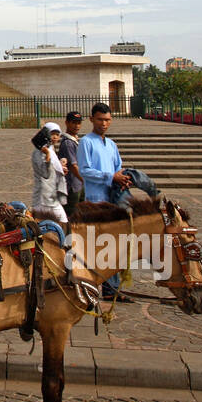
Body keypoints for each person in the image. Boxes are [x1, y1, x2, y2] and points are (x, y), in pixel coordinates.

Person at [77, 103, 134, 301]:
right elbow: (84, 171)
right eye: (100, 119)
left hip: (112, 200)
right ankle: (94, 286)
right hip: (95, 201)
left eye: (107, 120)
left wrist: (122, 179)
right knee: (96, 246)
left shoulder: (111, 145)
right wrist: (111, 177)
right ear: (91, 119)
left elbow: (119, 167)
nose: (104, 123)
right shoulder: (86, 142)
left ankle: (112, 288)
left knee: (112, 246)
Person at [30, 123, 68, 224]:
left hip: (51, 196)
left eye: (57, 134)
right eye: (52, 134)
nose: (55, 137)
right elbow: (45, 173)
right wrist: (47, 156)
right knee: (63, 223)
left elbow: (53, 168)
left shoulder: (50, 149)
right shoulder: (40, 152)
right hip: (43, 198)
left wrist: (61, 166)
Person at [58, 110, 85, 220]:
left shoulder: (74, 140)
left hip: (78, 184)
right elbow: (73, 166)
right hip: (72, 186)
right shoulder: (68, 143)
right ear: (67, 123)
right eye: (73, 123)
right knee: (72, 216)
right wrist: (85, 180)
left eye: (79, 123)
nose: (77, 126)